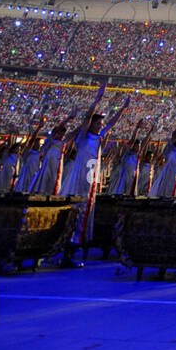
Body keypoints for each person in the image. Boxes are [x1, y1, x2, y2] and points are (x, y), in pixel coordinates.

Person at [57, 81, 130, 267]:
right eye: (98, 123)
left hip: (90, 181)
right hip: (80, 179)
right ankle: (67, 250)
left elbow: (111, 123)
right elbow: (88, 117)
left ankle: (74, 251)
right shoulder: (83, 137)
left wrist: (122, 109)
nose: (100, 126)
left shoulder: (98, 138)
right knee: (76, 214)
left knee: (84, 215)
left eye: (101, 124)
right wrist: (98, 98)